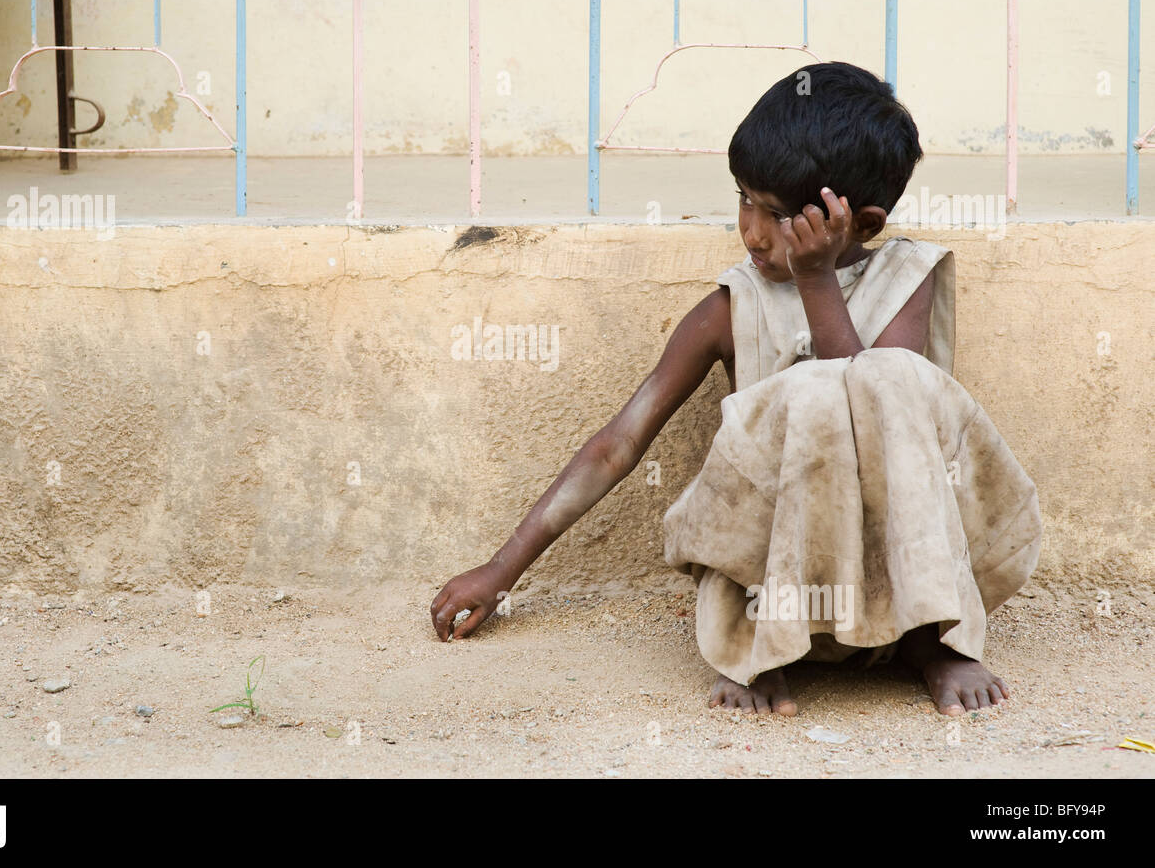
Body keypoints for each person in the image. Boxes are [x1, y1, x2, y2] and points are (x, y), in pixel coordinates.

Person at [430, 61, 1042, 716]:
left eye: (775, 213)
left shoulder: (907, 278)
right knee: (806, 393)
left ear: (859, 223)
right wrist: (501, 570)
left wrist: (815, 282)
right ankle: (761, 648)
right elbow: (619, 442)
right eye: (743, 198)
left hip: (895, 579)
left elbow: (870, 398)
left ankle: (936, 643)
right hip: (775, 581)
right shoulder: (731, 308)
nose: (749, 229)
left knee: (882, 376)